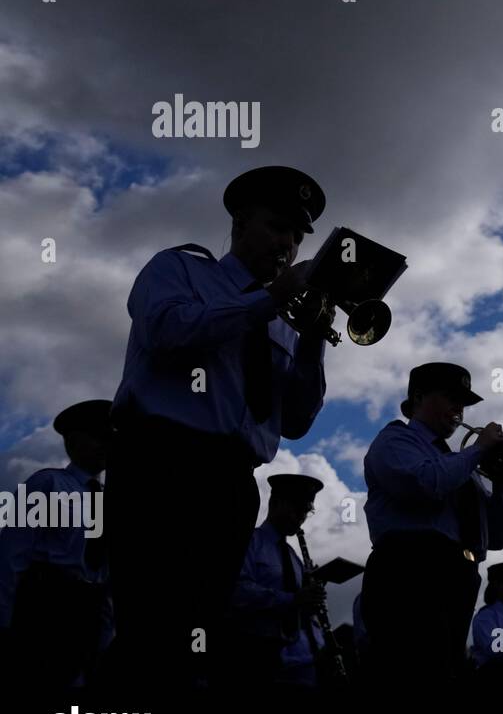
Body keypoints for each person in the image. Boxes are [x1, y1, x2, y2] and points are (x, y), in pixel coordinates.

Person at [107, 166, 330, 686]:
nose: (287, 244)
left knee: (196, 634)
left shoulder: (282, 315)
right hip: (160, 462)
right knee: (148, 629)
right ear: (239, 221)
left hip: (231, 481)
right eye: (277, 226)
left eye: (297, 237)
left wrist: (315, 338)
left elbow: (295, 422)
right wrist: (269, 300)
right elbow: (166, 332)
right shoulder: (181, 268)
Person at [361, 363, 503, 686]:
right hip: (408, 567)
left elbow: (496, 537)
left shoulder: (461, 463)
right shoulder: (395, 439)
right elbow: (426, 483)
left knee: (444, 672)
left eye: (463, 402)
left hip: (457, 573)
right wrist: (478, 449)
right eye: (450, 398)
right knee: (409, 669)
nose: (459, 409)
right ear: (418, 397)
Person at [0, 400, 113, 687]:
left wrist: (105, 630)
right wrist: (5, 623)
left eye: (109, 438)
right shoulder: (49, 484)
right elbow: (12, 554)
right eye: (97, 436)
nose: (106, 445)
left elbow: (106, 570)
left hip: (89, 610)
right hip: (46, 606)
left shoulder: (111, 500)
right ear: (74, 442)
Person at [228, 474, 328, 685]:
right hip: (253, 658)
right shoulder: (249, 541)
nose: (301, 517)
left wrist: (310, 599)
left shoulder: (294, 557)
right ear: (276, 503)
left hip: (297, 664)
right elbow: (237, 591)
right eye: (298, 509)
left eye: (306, 512)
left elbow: (299, 611)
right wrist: (293, 599)